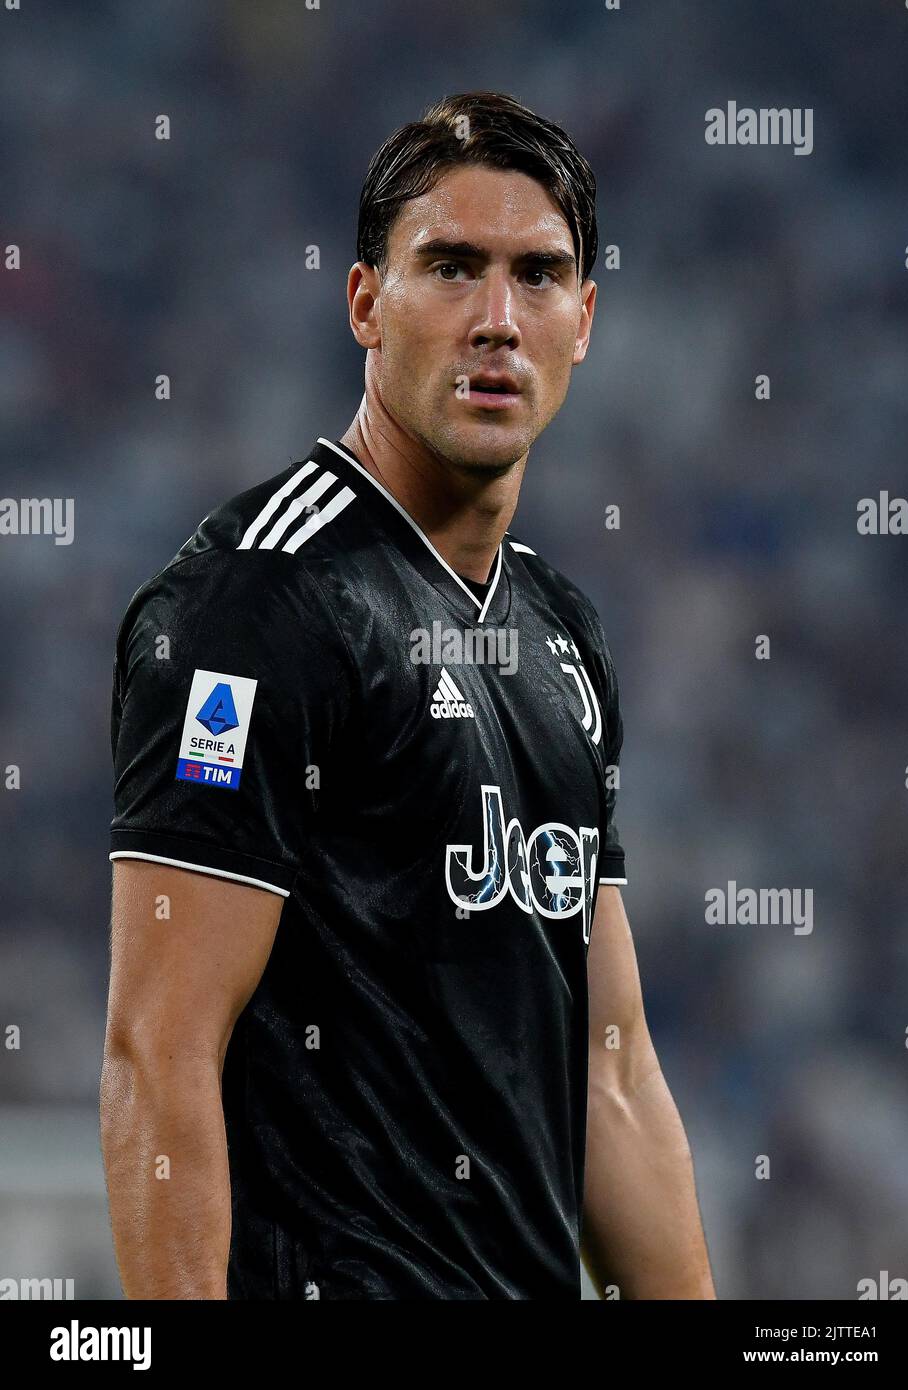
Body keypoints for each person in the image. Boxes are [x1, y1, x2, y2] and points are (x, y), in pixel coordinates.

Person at [100, 90, 715, 1301]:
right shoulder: (253, 608)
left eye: (537, 277)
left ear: (584, 321)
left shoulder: (560, 637)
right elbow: (159, 1054)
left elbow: (612, 1071)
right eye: (450, 267)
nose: (497, 319)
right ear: (364, 304)